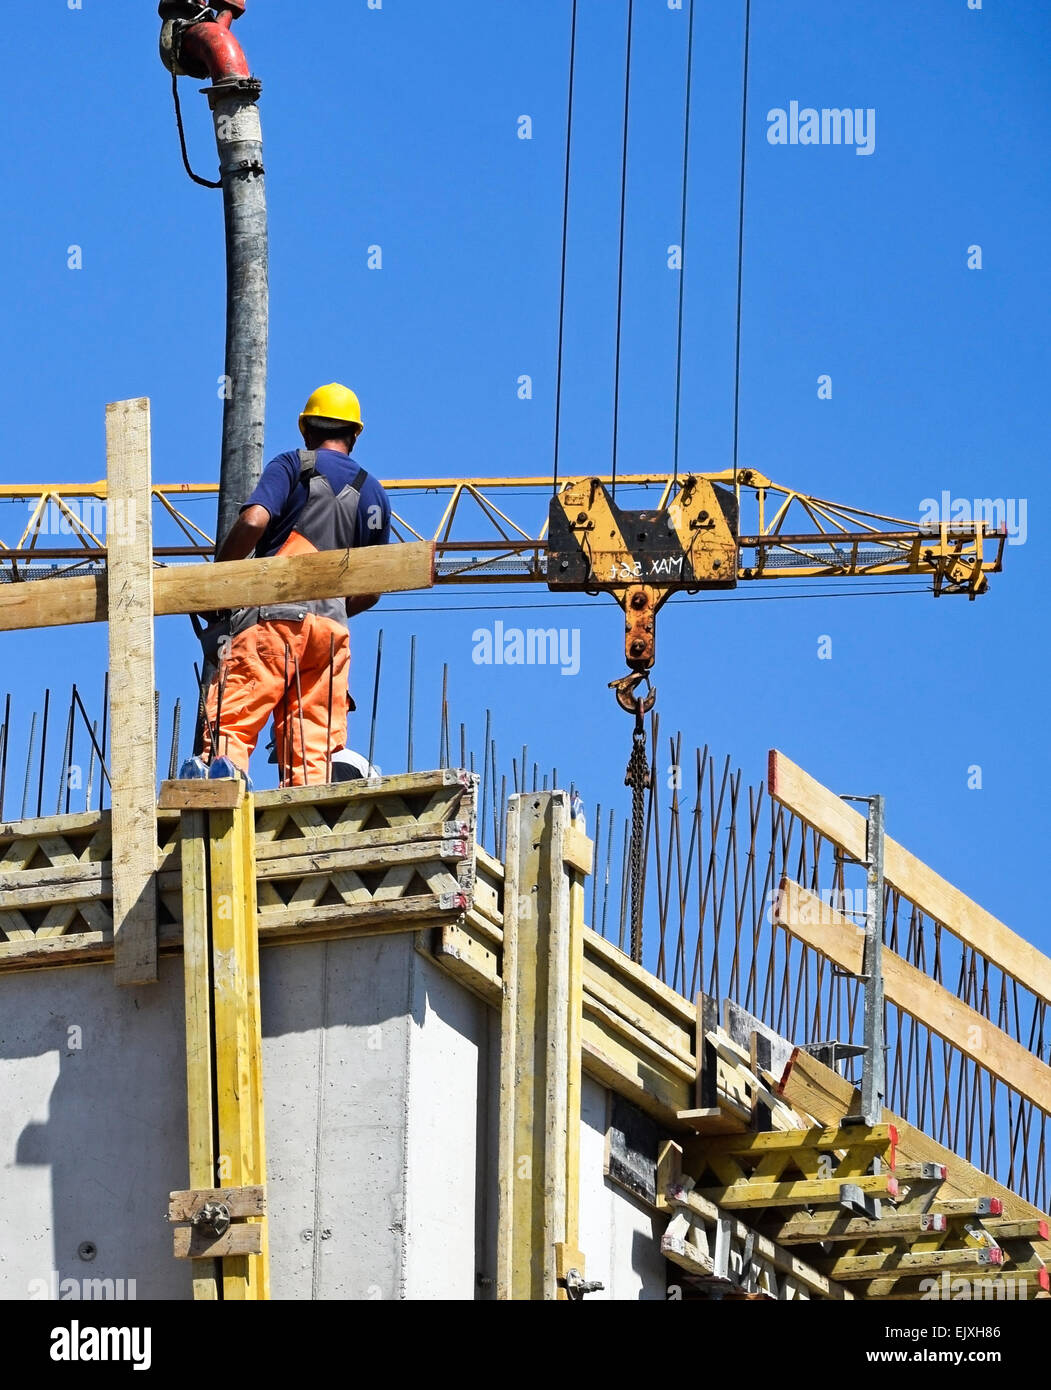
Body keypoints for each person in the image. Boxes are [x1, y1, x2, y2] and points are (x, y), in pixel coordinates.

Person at [191, 383, 390, 786]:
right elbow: (373, 586)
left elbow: (252, 521)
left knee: (232, 721)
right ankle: (307, 819)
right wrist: (328, 606)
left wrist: (219, 584)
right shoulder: (373, 492)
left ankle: (222, 792)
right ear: (355, 434)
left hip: (272, 621)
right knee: (312, 744)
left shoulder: (292, 467)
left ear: (305, 429)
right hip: (330, 636)